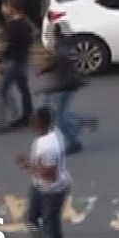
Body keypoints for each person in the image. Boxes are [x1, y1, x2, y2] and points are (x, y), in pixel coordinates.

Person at [16, 105, 70, 238]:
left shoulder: (48, 147)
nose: (30, 123)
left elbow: (50, 176)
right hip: (39, 186)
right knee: (31, 218)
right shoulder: (51, 132)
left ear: (40, 123)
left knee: (50, 223)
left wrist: (26, 165)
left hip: (53, 190)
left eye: (33, 121)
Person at [40, 23, 98, 154]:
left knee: (59, 119)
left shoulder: (61, 51)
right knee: (60, 113)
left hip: (64, 88)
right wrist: (46, 70)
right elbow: (59, 66)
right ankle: (85, 122)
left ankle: (74, 143)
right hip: (67, 87)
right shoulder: (62, 46)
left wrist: (48, 89)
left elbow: (64, 76)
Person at [0, 0, 34, 134]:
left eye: (5, 7)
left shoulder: (13, 26)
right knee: (23, 89)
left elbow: (6, 46)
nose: (3, 9)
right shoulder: (26, 24)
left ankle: (6, 122)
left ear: (12, 8)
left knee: (3, 91)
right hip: (23, 60)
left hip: (12, 62)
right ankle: (27, 116)